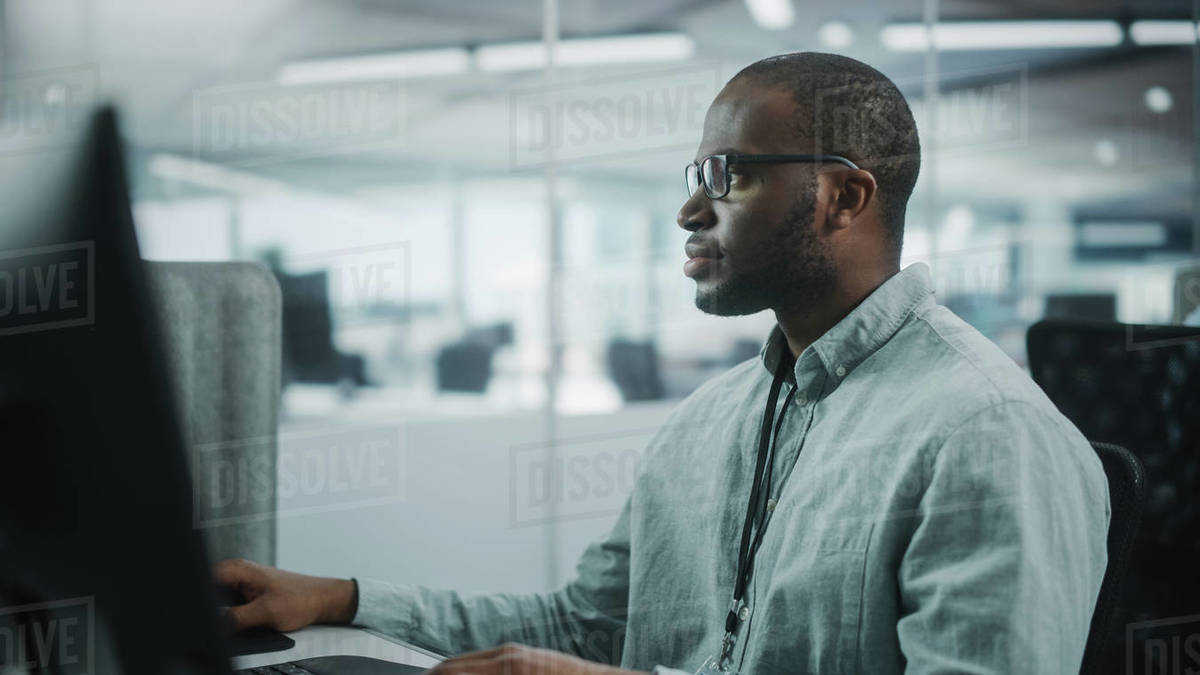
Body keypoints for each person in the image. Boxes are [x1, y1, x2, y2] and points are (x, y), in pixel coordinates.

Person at [217, 52, 1110, 674]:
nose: (690, 209)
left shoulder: (988, 435)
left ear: (842, 197)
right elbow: (587, 627)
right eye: (696, 171)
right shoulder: (713, 417)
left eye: (729, 173)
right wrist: (336, 597)